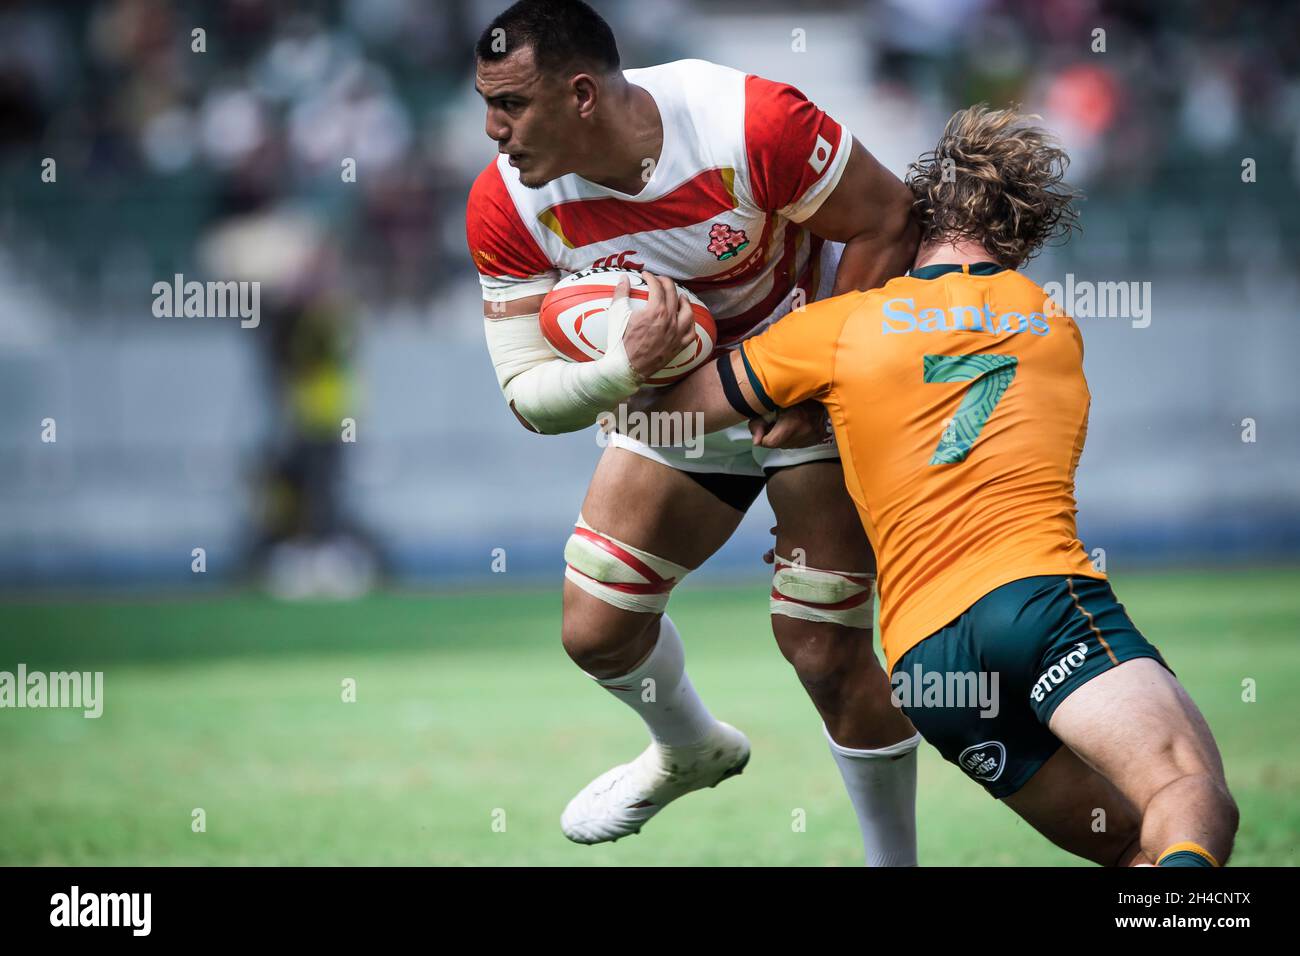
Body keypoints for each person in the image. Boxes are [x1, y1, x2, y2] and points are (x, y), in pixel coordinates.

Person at [642, 105, 1239, 866]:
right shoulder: (1052, 324)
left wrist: (639, 351)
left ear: (919, 213)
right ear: (1024, 232)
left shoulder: (836, 331)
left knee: (1127, 844)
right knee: (1184, 791)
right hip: (1039, 602)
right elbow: (951, 398)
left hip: (929, 664)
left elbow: (670, 417)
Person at [465, 0, 922, 862]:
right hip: (678, 400)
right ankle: (689, 747)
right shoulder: (504, 205)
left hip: (806, 382)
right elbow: (528, 396)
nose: (494, 130)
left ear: (583, 94)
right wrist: (620, 371)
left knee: (822, 651)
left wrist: (814, 373)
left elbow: (887, 217)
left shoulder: (747, 122)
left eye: (513, 105)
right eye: (487, 103)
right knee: (596, 631)